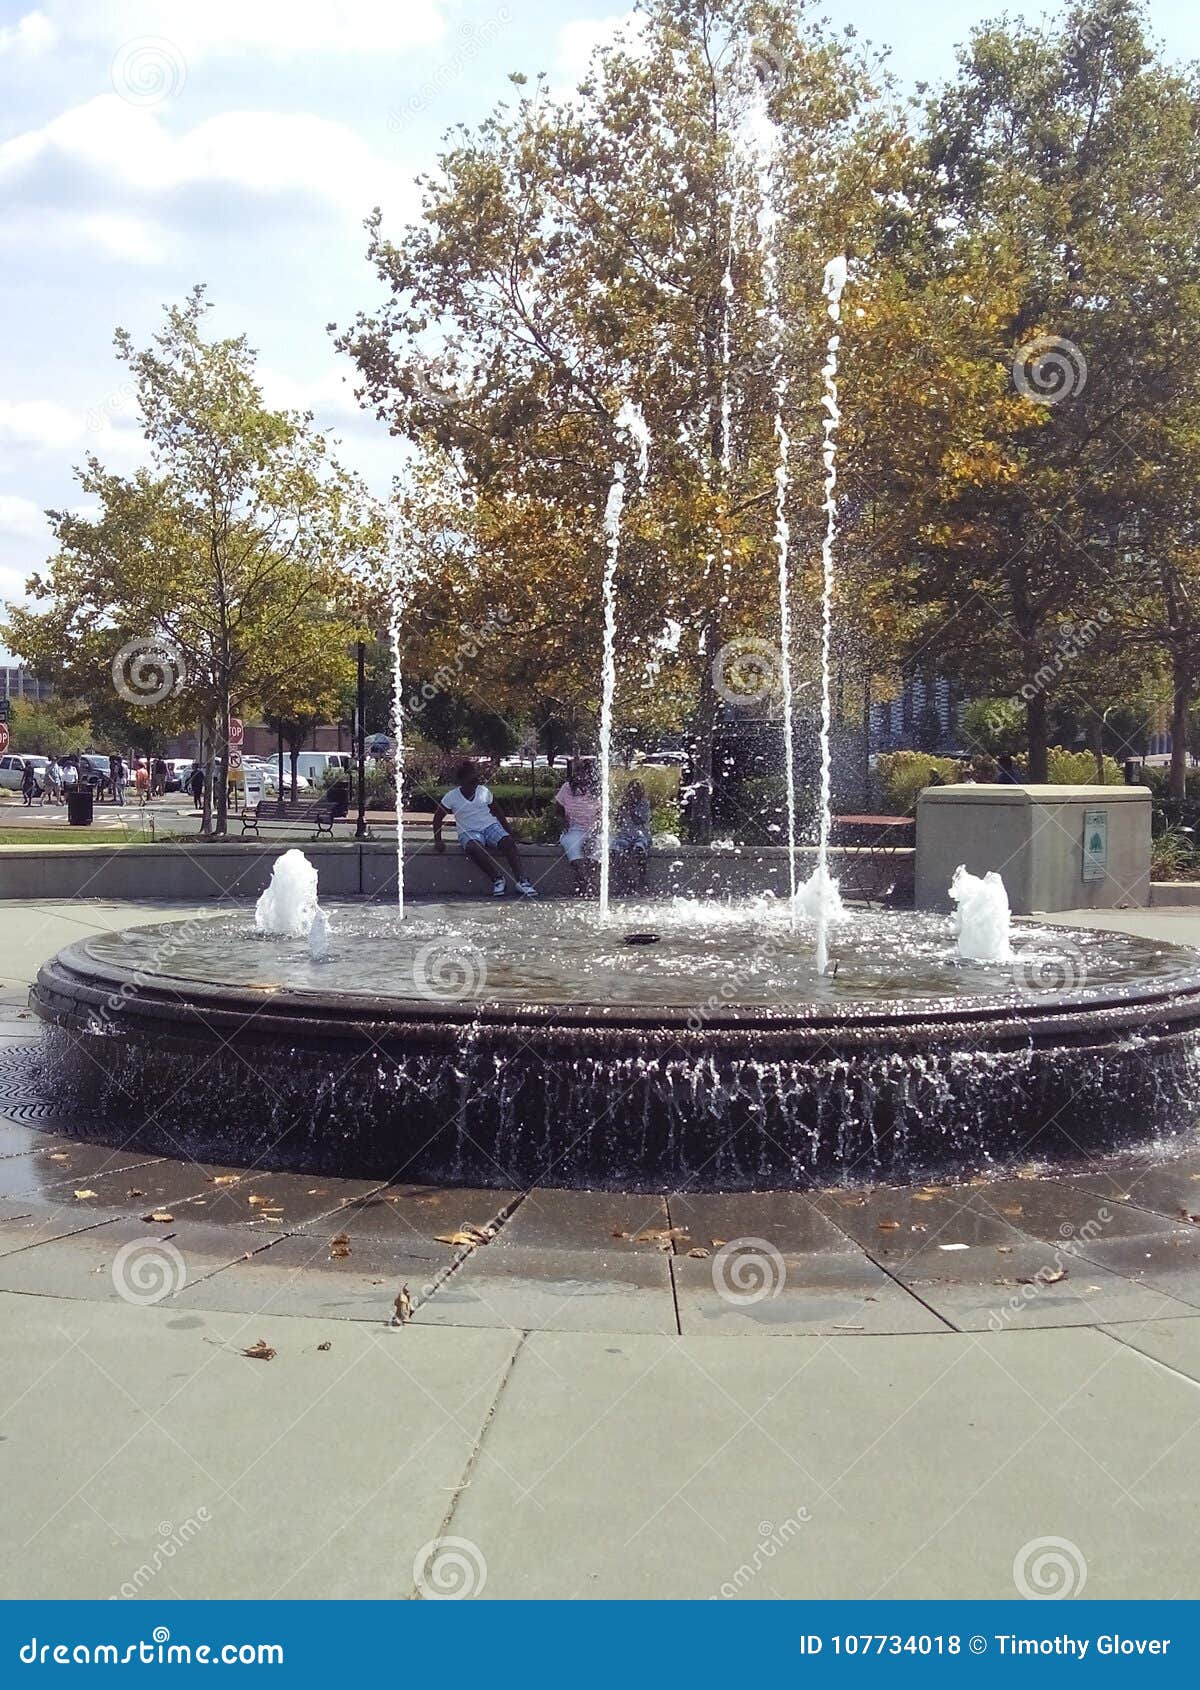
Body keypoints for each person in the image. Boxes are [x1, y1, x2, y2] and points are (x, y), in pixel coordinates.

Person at [433, 760, 538, 898]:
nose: (475, 784)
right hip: (468, 831)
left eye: (476, 780)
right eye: (471, 781)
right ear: (461, 781)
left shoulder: (483, 791)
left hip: (489, 826)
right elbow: (437, 818)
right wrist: (438, 840)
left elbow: (497, 811)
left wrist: (508, 832)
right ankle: (497, 879)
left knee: (508, 843)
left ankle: (522, 881)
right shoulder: (451, 797)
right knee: (473, 847)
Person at [554, 760, 601, 895]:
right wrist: (564, 821)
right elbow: (558, 809)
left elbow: (602, 815)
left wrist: (594, 834)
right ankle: (588, 885)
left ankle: (586, 883)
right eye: (580, 771)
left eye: (587, 772)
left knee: (601, 847)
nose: (582, 775)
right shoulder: (567, 788)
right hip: (574, 829)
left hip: (595, 830)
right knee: (573, 849)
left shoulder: (598, 790)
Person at [612, 778, 652, 892]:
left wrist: (630, 810)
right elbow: (618, 822)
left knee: (639, 851)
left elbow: (640, 820)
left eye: (636, 790)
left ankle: (642, 880)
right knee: (615, 852)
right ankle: (626, 881)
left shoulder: (644, 804)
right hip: (625, 835)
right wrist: (620, 812)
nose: (634, 793)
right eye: (632, 790)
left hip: (640, 835)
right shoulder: (624, 804)